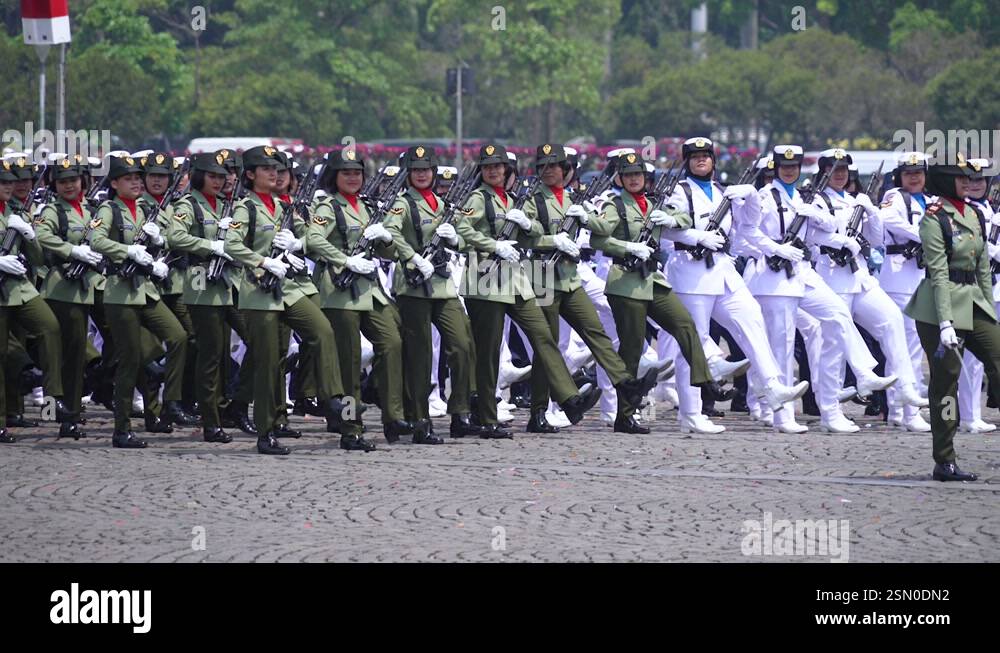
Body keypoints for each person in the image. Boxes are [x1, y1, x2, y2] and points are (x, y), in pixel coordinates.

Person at [658, 137, 809, 433]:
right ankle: (691, 412)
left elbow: (746, 225)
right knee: (694, 341)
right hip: (691, 271)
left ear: (714, 161)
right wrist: (695, 237)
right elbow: (661, 229)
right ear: (687, 161)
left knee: (753, 320)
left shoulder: (722, 192)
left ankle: (773, 386)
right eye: (695, 156)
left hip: (724, 271)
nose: (701, 160)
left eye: (706, 156)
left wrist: (751, 197)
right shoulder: (677, 191)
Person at [224, 145, 363, 454]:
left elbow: (311, 239)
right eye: (266, 169)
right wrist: (261, 261)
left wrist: (299, 246)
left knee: (322, 330)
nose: (275, 174)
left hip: (289, 288)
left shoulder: (285, 207)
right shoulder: (245, 208)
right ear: (250, 175)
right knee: (268, 361)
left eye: (277, 169)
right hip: (260, 292)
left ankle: (333, 399)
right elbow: (232, 244)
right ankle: (266, 431)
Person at [461, 143, 603, 437]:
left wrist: (528, 225)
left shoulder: (515, 199)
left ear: (507, 170)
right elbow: (461, 228)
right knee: (488, 353)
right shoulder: (477, 198)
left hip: (515, 280)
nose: (493, 171)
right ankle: (487, 418)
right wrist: (493, 244)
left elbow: (534, 234)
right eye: (487, 167)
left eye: (498, 166)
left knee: (543, 336)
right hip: (484, 277)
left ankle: (569, 400)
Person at [522, 143, 664, 434]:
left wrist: (587, 217)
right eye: (543, 166)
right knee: (547, 344)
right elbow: (522, 240)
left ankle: (626, 384)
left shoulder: (575, 199)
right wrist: (552, 241)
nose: (549, 171)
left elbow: (600, 232)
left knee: (596, 333)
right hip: (541, 274)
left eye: (554, 166)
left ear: (566, 170)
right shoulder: (531, 202)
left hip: (570, 277)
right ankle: (538, 412)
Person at [307, 149, 417, 444]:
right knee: (348, 360)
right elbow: (313, 239)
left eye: (357, 173)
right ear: (334, 177)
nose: (353, 178)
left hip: (369, 290)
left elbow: (387, 252)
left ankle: (393, 417)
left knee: (392, 342)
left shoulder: (367, 207)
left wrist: (385, 239)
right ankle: (350, 428)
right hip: (339, 290)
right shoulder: (328, 207)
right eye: (346, 173)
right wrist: (344, 260)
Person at [904, 157, 1000, 482]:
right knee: (946, 384)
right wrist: (946, 322)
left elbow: (982, 266)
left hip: (971, 301)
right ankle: (944, 459)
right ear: (945, 181)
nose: (968, 183)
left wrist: (989, 308)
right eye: (960, 178)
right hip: (937, 311)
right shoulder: (934, 219)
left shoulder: (973, 214)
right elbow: (939, 272)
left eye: (969, 178)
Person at [89, 154, 190, 448]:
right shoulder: (109, 209)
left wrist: (159, 243)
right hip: (120, 294)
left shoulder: (146, 209)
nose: (135, 183)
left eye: (137, 178)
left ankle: (169, 402)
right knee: (130, 360)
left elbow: (171, 237)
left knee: (179, 336)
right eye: (129, 179)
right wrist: (128, 252)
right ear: (115, 183)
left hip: (146, 291)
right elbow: (96, 241)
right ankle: (122, 428)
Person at [383, 145, 482, 440]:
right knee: (419, 354)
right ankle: (419, 420)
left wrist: (456, 240)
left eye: (426, 170)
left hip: (442, 284)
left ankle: (460, 412)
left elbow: (464, 236)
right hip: (413, 285)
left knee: (462, 343)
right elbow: (391, 233)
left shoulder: (443, 204)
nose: (422, 174)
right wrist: (412, 257)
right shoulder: (401, 204)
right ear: (408, 174)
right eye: (416, 170)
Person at [0, 158, 76, 444]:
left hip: (21, 288)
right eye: (4, 182)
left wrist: (29, 235)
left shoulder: (16, 212)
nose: (10, 187)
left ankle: (52, 401)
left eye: (12, 182)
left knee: (49, 327)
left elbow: (38, 258)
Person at [34, 154, 107, 440]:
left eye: (73, 180)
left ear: (83, 181)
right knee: (66, 354)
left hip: (87, 286)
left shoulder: (91, 210)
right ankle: (59, 413)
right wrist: (71, 250)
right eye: (62, 181)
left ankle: (70, 414)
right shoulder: (54, 210)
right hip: (61, 288)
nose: (68, 186)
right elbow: (41, 235)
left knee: (77, 355)